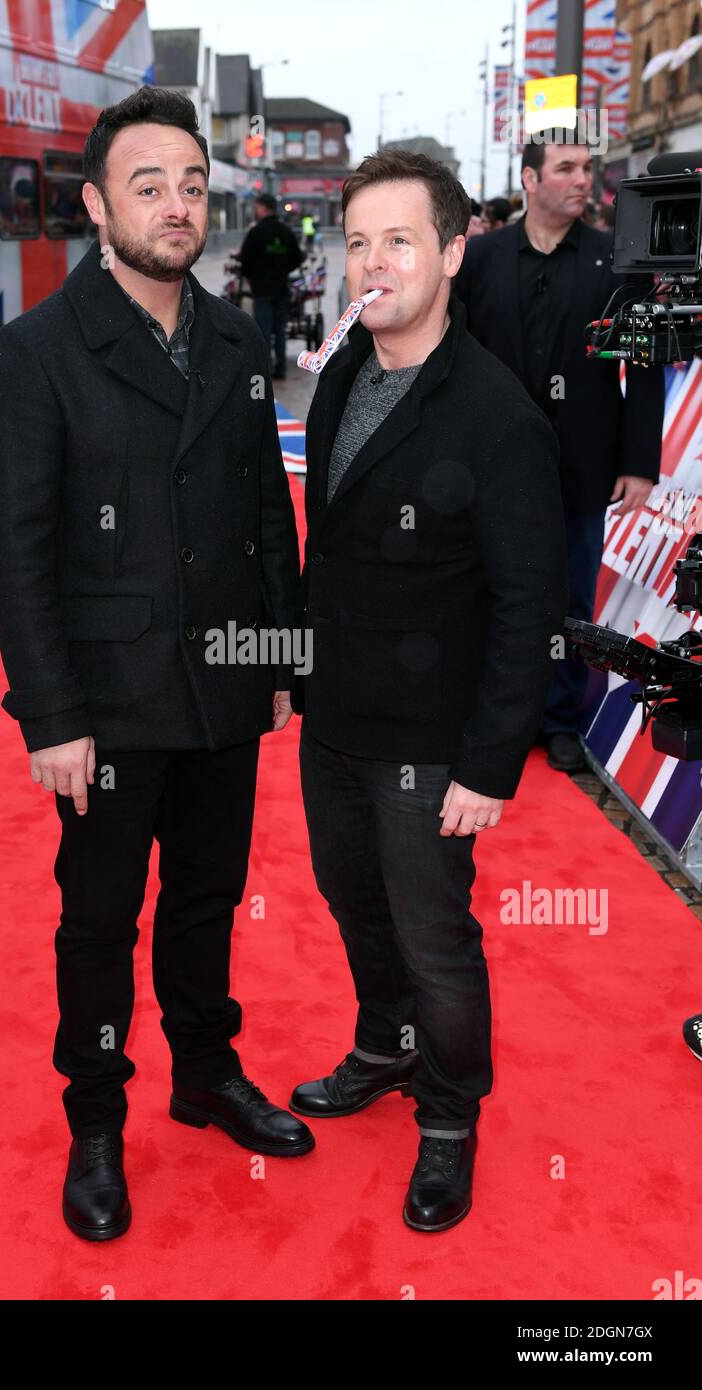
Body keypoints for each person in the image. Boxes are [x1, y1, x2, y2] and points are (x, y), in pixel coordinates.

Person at [0, 85, 312, 1245]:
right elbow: (16, 553)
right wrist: (49, 715)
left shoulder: (231, 334)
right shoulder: (36, 354)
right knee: (101, 918)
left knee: (210, 899)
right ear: (95, 204)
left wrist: (282, 655)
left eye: (189, 185)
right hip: (107, 706)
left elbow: (265, 505)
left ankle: (206, 1073)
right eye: (148, 184)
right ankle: (98, 1118)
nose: (176, 206)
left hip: (224, 682)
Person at [288, 148, 568, 1232]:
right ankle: (384, 1044)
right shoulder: (346, 370)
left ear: (452, 252)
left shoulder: (496, 417)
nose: (372, 261)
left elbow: (525, 603)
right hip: (337, 721)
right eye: (356, 240)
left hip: (432, 745)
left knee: (435, 936)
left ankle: (449, 1117)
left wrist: (490, 762)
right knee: (352, 904)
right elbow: (332, 548)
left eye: (397, 239)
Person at [454, 131, 664, 773]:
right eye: (567, 168)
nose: (583, 180)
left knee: (572, 594)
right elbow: (450, 354)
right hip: (488, 463)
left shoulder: (613, 260)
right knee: (485, 591)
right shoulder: (479, 257)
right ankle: (491, 718)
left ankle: (561, 720)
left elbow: (644, 364)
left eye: (587, 169)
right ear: (529, 180)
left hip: (583, 461)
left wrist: (637, 462)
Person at [238, 191, 303, 380]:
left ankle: (264, 370)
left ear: (263, 208)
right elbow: (298, 258)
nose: (255, 211)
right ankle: (281, 369)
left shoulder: (256, 232)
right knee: (280, 332)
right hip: (281, 289)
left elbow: (245, 260)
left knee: (263, 332)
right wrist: (283, 269)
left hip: (262, 290)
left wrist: (252, 276)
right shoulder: (286, 232)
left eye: (257, 207)